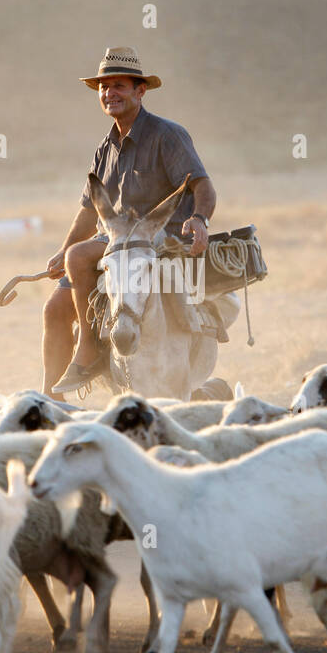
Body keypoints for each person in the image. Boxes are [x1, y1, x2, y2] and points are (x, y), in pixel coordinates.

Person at [43, 46, 217, 397]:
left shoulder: (167, 135)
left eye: (119, 86)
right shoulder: (104, 148)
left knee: (79, 257)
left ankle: (89, 348)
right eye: (104, 88)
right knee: (55, 306)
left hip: (161, 236)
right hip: (117, 241)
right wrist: (61, 251)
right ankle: (51, 398)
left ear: (141, 90)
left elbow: (203, 184)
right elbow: (90, 210)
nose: (110, 94)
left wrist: (199, 218)